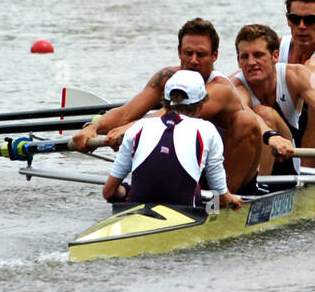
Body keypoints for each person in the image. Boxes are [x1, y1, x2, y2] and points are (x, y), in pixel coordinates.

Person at [70, 18, 263, 193]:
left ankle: (223, 201)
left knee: (246, 122)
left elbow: (176, 113)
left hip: (230, 167)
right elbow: (127, 112)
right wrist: (92, 128)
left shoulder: (221, 87)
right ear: (179, 52)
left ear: (215, 56)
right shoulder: (166, 78)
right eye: (188, 53)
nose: (194, 60)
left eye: (201, 54)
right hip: (191, 164)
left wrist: (129, 130)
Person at [101, 70, 242, 210]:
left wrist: (125, 190)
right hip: (186, 214)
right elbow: (222, 198)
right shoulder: (208, 130)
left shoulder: (137, 128)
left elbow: (108, 192)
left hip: (136, 211)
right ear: (202, 103)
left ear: (164, 100)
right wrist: (232, 199)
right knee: (208, 200)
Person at [231, 24, 315, 173]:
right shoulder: (235, 86)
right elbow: (246, 111)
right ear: (238, 61)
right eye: (245, 57)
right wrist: (271, 136)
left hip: (289, 158)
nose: (251, 62)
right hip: (257, 157)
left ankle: (283, 182)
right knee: (257, 115)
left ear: (275, 56)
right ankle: (253, 189)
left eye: (258, 55)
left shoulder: (295, 75)